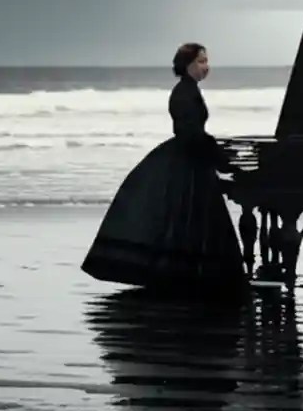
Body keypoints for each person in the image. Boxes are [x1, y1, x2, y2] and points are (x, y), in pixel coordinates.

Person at [81, 42, 246, 293]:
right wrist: (220, 157)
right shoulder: (184, 92)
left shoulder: (188, 90)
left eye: (206, 61)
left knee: (186, 220)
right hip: (186, 160)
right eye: (201, 61)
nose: (206, 66)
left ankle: (186, 276)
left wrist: (216, 153)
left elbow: (194, 134)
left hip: (187, 157)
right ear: (187, 65)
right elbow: (190, 133)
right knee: (188, 218)